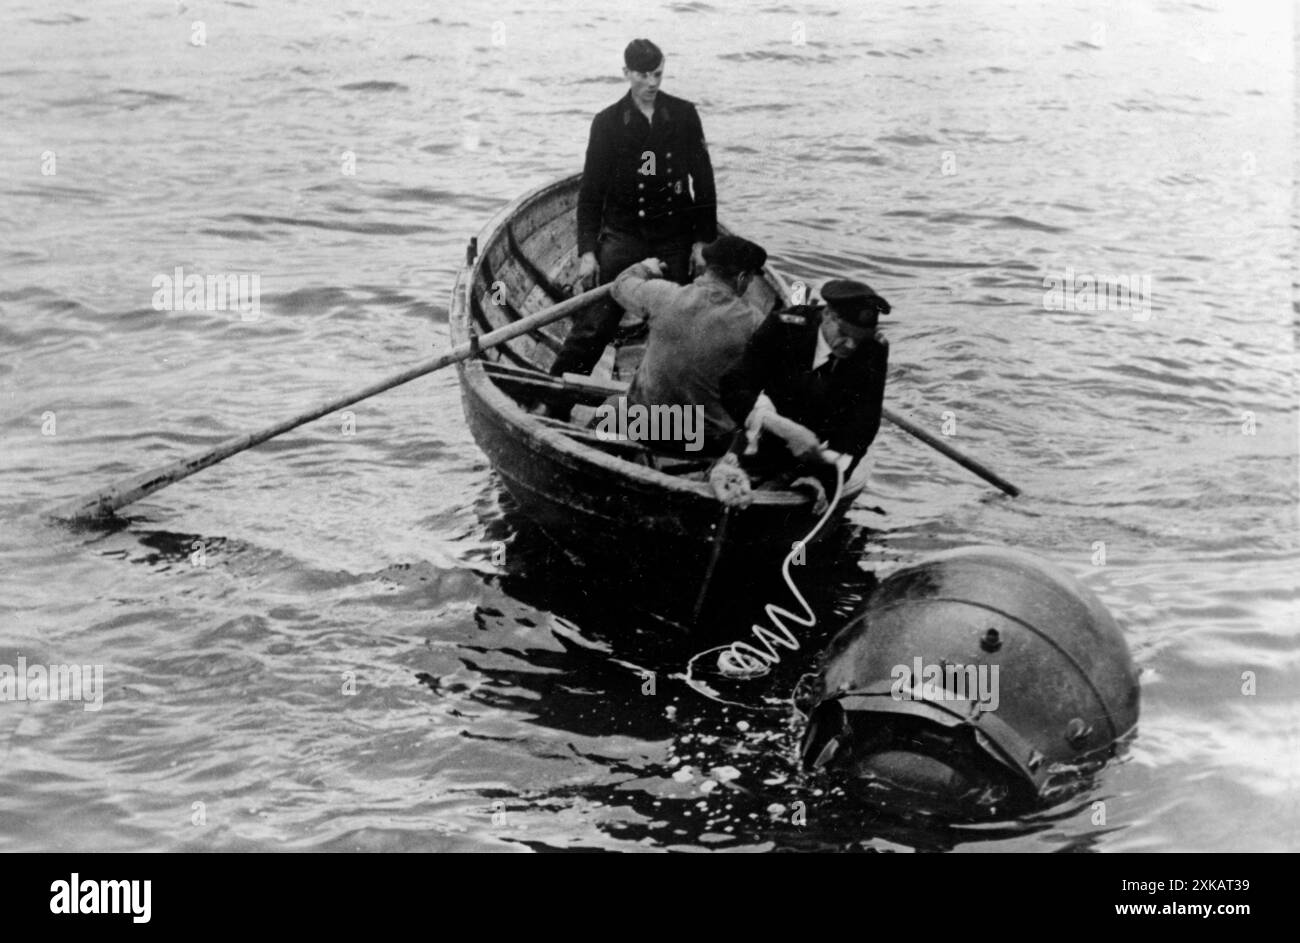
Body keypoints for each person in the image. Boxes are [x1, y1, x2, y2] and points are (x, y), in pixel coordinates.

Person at [544, 38, 718, 407]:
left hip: (674, 235)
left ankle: (669, 409)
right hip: (624, 235)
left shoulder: (684, 115)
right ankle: (552, 398)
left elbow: (703, 183)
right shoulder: (607, 123)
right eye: (643, 75)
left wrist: (703, 243)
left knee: (679, 323)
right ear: (626, 73)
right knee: (595, 323)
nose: (652, 83)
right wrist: (588, 251)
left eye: (658, 73)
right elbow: (590, 193)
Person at [711, 279, 892, 509]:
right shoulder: (785, 325)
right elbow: (734, 384)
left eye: (859, 339)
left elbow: (862, 426)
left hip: (817, 450)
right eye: (844, 334)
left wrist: (824, 479)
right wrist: (782, 426)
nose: (850, 346)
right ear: (828, 314)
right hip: (764, 431)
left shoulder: (874, 348)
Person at [600, 236, 768, 457]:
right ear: (741, 277)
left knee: (612, 406)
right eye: (751, 280)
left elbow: (620, 284)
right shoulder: (755, 321)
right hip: (708, 440)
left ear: (707, 268)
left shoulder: (663, 295)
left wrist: (645, 268)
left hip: (646, 427)